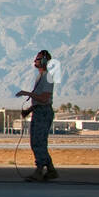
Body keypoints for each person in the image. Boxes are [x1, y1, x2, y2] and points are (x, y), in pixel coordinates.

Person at [17, 49, 57, 181]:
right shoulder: (40, 77)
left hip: (44, 113)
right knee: (36, 142)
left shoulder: (48, 77)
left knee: (38, 142)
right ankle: (50, 170)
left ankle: (39, 170)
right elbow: (39, 100)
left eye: (38, 59)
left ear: (44, 61)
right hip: (38, 111)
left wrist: (27, 93)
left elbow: (44, 99)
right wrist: (29, 110)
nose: (35, 61)